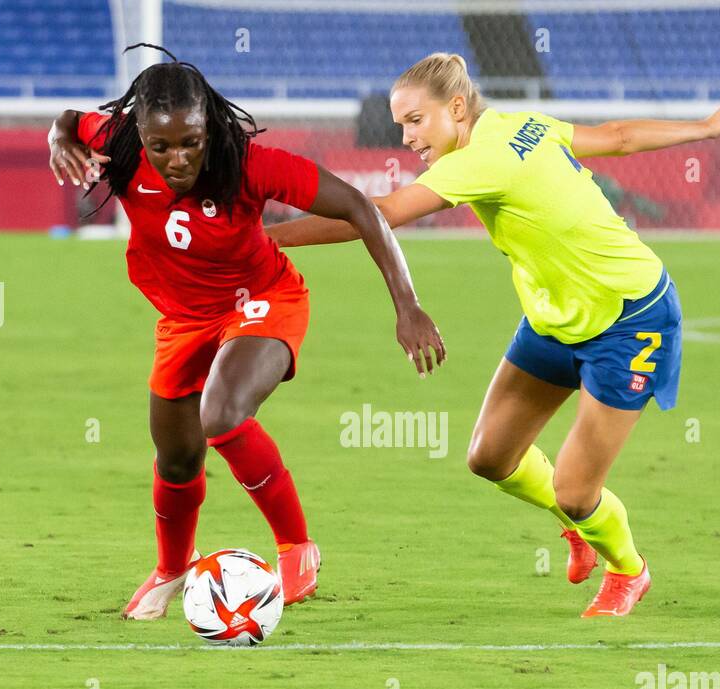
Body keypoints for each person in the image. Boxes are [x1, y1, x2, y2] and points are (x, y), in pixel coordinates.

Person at [268, 53, 720, 618]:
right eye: (400, 124)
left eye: (415, 121)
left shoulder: (479, 160)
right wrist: (704, 126)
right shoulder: (521, 124)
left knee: (577, 491)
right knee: (489, 457)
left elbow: (379, 211)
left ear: (456, 107)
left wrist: (272, 239)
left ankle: (628, 570)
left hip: (630, 318)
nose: (405, 138)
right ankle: (577, 528)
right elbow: (618, 137)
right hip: (553, 318)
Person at [48, 45, 444, 619]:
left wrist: (407, 306)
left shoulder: (251, 164)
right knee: (176, 458)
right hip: (183, 318)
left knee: (222, 413)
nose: (177, 158)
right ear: (140, 134)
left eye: (191, 141)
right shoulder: (120, 141)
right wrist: (61, 138)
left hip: (263, 300)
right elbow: (68, 119)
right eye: (162, 146)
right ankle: (172, 568)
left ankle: (296, 545)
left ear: (209, 127)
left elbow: (362, 207)